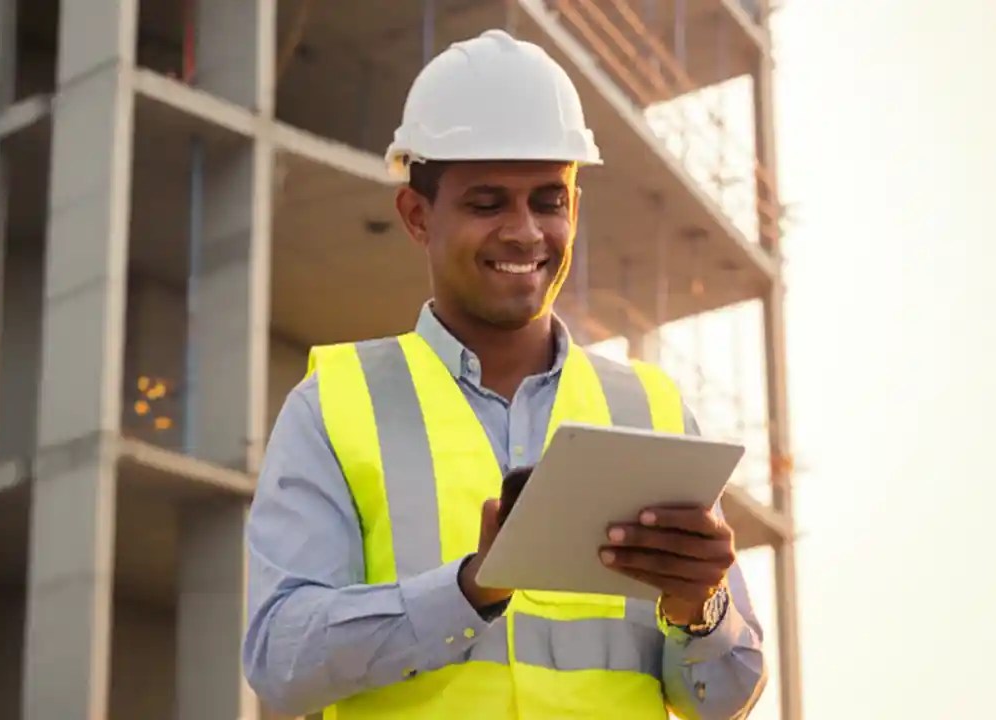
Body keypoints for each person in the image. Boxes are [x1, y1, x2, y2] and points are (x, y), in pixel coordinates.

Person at [243, 29, 767, 719]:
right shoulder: (336, 407)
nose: (524, 232)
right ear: (416, 216)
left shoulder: (649, 409)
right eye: (487, 203)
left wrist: (701, 608)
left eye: (548, 200)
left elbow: (723, 697)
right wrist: (466, 592)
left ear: (574, 209)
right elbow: (280, 661)